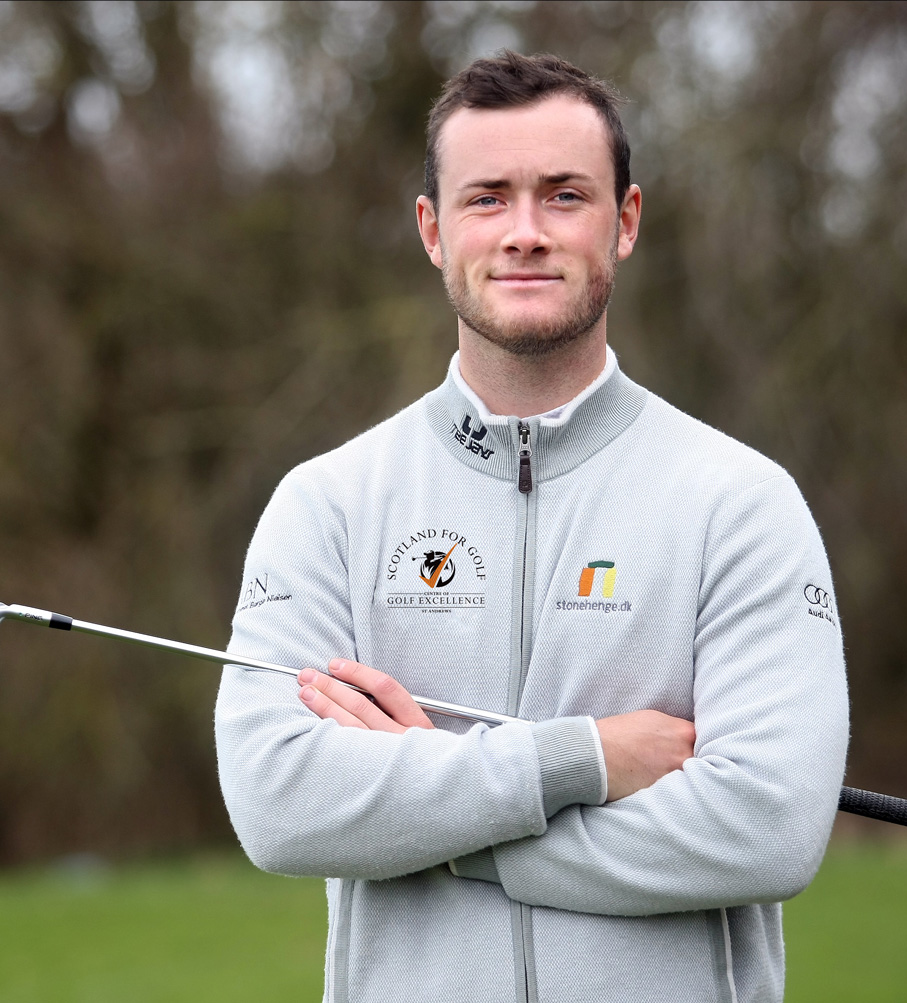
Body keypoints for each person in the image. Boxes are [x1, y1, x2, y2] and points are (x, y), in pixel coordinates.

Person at [215, 51, 849, 1003]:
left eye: (563, 196)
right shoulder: (329, 503)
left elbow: (767, 825)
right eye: (486, 199)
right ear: (432, 230)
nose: (524, 233)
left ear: (624, 221)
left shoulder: (740, 502)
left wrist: (433, 824)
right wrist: (582, 759)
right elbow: (278, 803)